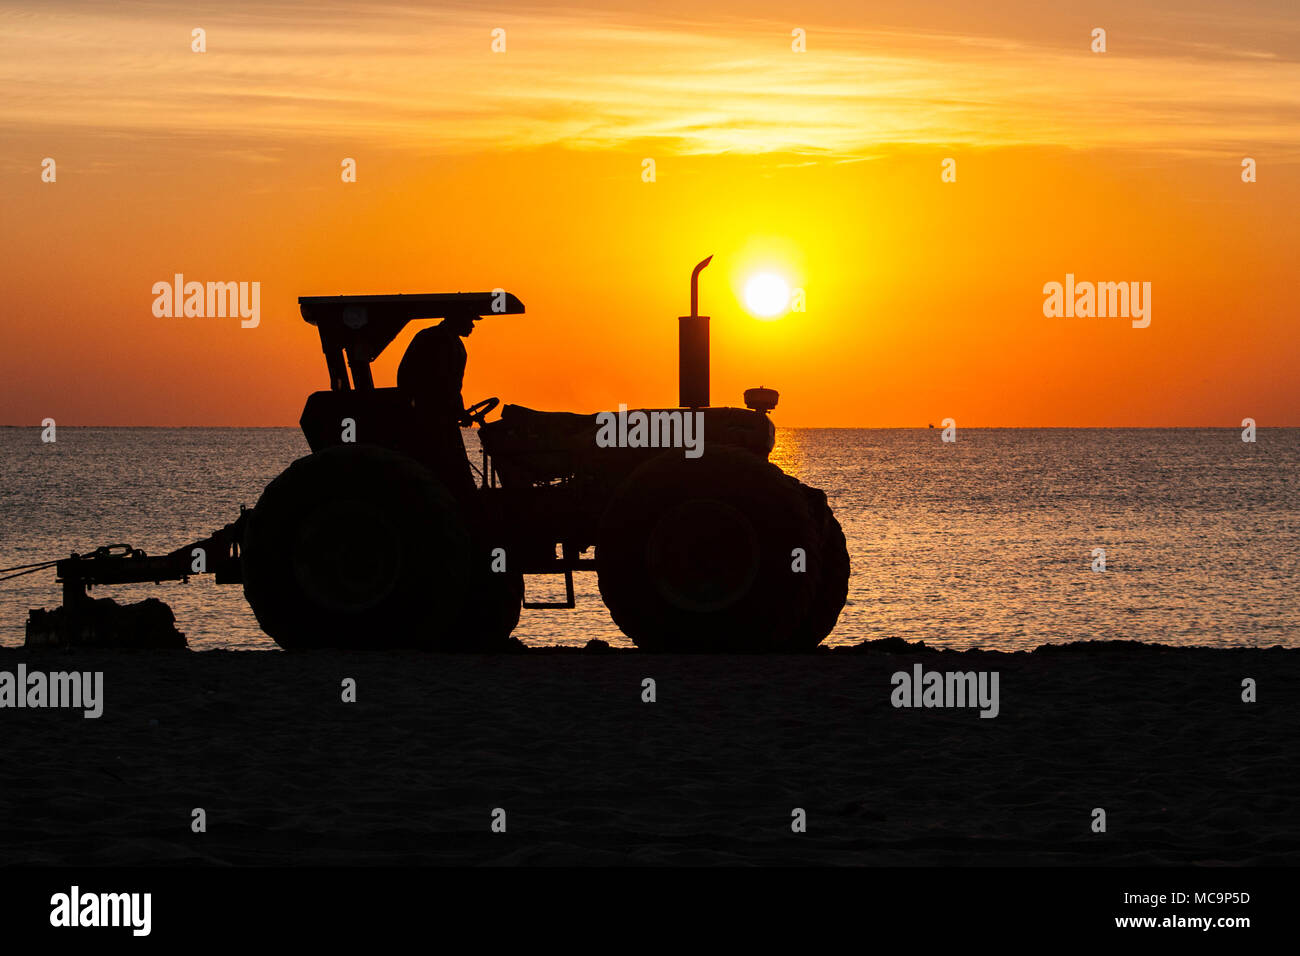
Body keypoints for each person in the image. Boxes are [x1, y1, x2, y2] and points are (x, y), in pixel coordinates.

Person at [397, 312, 479, 500]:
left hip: (441, 415)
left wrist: (459, 410)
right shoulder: (434, 340)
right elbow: (441, 383)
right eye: (470, 320)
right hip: (430, 417)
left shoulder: (454, 344)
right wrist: (453, 410)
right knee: (444, 464)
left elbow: (453, 386)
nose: (473, 326)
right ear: (457, 319)